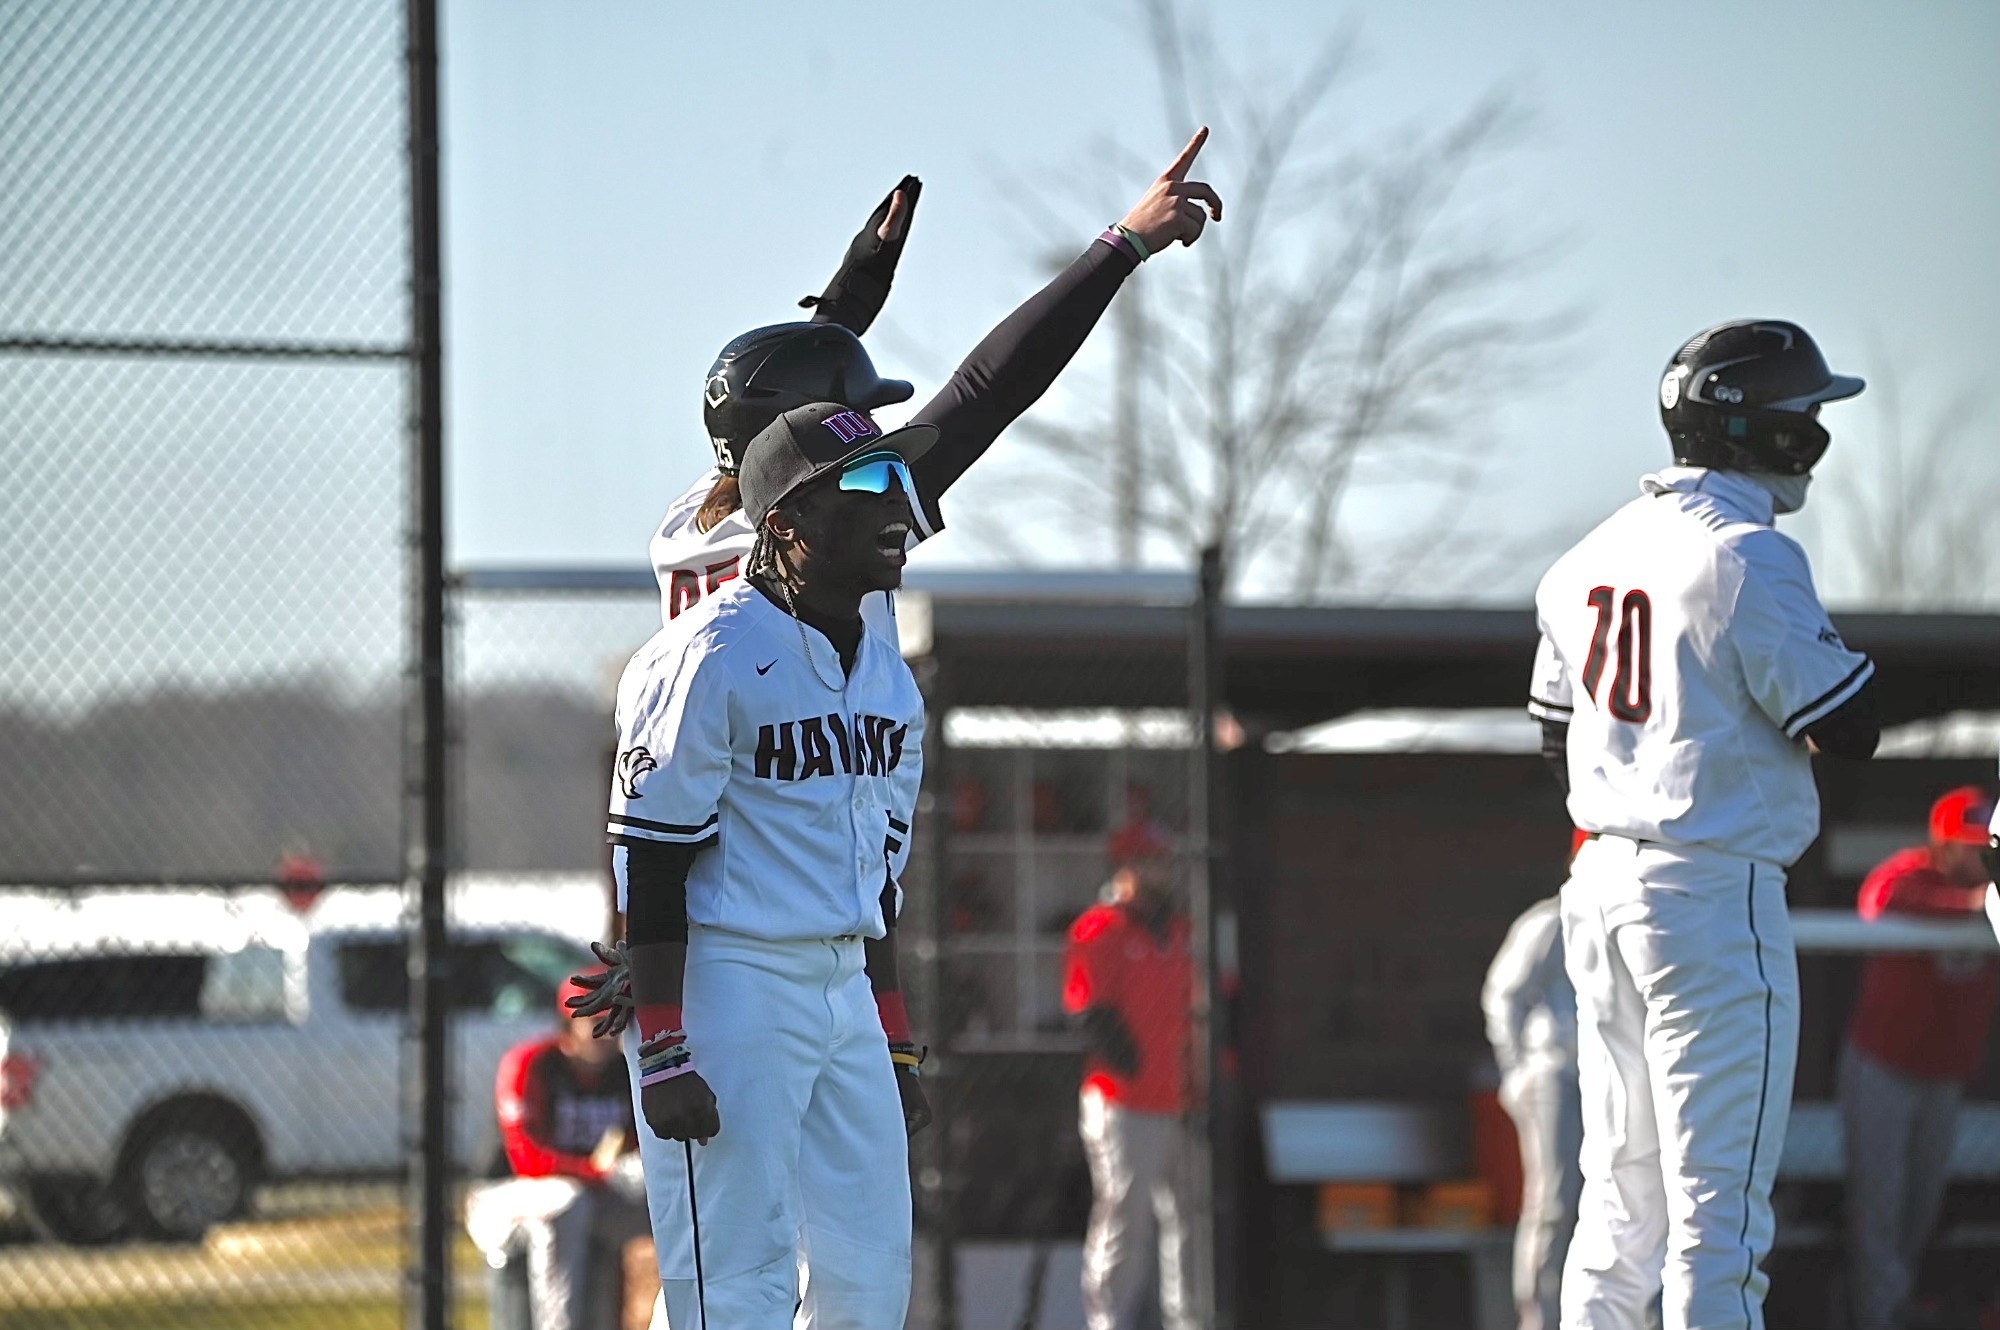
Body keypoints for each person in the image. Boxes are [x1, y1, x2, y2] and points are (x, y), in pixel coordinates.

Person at [571, 130, 1224, 1327]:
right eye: (850, 416)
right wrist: (1120, 247)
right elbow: (985, 395)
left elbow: (761, 409)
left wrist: (844, 303)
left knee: (793, 1269)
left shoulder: (700, 519)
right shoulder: (774, 567)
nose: (877, 447)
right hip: (732, 945)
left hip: (789, 922)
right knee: (740, 1273)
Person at [1526, 319, 1882, 1330]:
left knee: (1616, 1196)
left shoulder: (1579, 557)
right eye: (1801, 418)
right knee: (1714, 1216)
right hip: (1707, 890)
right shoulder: (1747, 553)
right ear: (1758, 432)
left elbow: (1550, 738)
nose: (1810, 436)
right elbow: (1847, 725)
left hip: (1597, 882)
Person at [1839, 785, 2000, 1330]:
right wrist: (1973, 907)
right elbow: (1876, 901)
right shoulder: (1911, 873)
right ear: (1943, 844)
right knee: (1879, 1209)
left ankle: (1895, 1305)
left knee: (1921, 1208)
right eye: (1970, 845)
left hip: (1943, 1076)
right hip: (1884, 1067)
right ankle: (1880, 1318)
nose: (1981, 857)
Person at [1062, 819, 1195, 1330]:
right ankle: (1110, 1324)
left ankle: (1189, 1321)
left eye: (1163, 860)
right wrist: (1138, 1067)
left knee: (1189, 1222)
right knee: (1124, 1220)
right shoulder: (1099, 928)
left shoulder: (1183, 929)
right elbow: (1089, 1011)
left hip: (1182, 1100)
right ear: (1127, 866)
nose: (1161, 871)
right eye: (1150, 861)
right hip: (1123, 1103)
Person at [490, 975, 650, 1330]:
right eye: (597, 1021)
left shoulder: (624, 1071)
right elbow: (527, 1160)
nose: (608, 1032)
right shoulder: (532, 1063)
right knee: (567, 1203)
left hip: (596, 1192)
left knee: (672, 1202)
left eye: (617, 1021)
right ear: (569, 1021)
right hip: (506, 1193)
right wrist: (600, 1173)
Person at [1482, 855, 1582, 1330]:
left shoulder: (1626, 919)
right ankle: (1538, 1315)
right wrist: (1518, 1072)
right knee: (1553, 1200)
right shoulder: (1550, 921)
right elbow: (1504, 994)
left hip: (1603, 1081)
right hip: (1553, 1077)